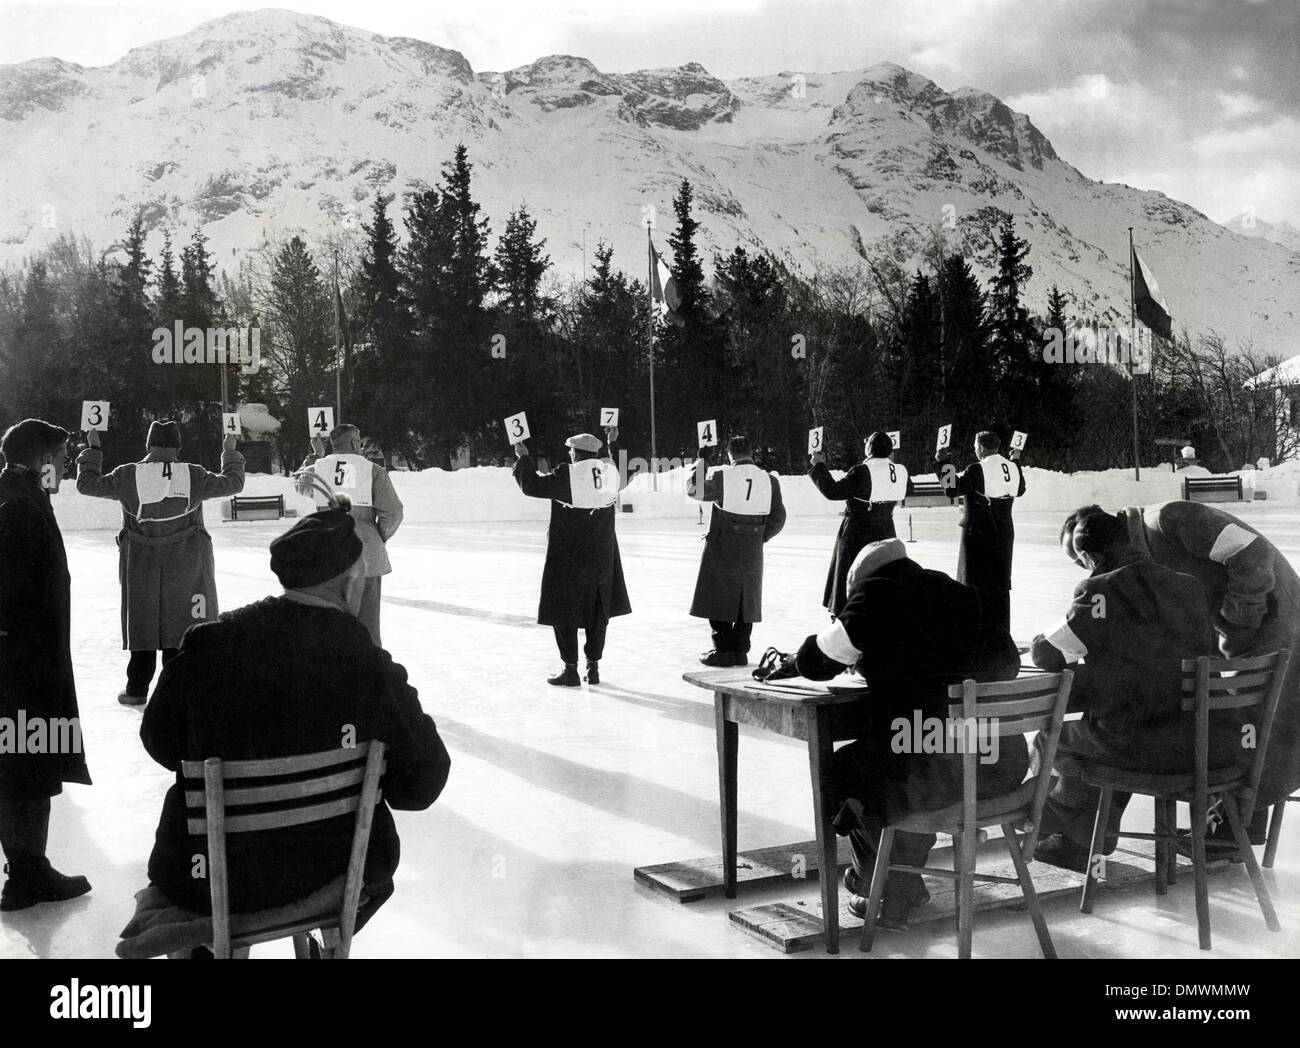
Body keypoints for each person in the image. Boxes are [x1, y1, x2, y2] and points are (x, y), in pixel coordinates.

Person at [134, 507, 450, 937]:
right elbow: (422, 785)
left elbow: (159, 741)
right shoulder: (371, 666)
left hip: (207, 876)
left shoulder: (208, 645)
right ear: (351, 579)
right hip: (334, 873)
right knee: (374, 866)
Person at [789, 539, 1023, 928]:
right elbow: (1009, 664)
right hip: (996, 763)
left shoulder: (873, 591)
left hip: (929, 764)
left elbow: (816, 663)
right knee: (902, 772)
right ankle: (900, 884)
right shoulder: (959, 592)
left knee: (846, 769)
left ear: (858, 580)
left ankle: (875, 884)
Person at [1069, 500, 1300, 848]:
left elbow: (1253, 552)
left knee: (1266, 726)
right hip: (1257, 635)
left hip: (1278, 623)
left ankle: (1227, 832)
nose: (1092, 570)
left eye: (1086, 558)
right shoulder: (1145, 563)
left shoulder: (1169, 519)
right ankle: (1233, 830)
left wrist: (1239, 623)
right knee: (1250, 726)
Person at [1029, 506, 1245, 870]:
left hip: (1144, 751)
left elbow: (1045, 654)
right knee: (1114, 730)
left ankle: (1064, 830)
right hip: (1203, 742)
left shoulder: (1101, 588)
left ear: (1088, 554)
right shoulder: (1187, 585)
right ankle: (1086, 836)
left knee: (1057, 735)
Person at [76, 420, 245, 705]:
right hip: (187, 560)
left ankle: (137, 687)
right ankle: (176, 689)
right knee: (182, 622)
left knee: (142, 619)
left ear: (148, 446)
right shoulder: (194, 475)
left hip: (140, 561)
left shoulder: (127, 475)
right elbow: (234, 483)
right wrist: (229, 453)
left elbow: (87, 484)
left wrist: (93, 449)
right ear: (178, 448)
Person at [0, 419, 93, 911]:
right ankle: (26, 875)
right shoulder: (19, 506)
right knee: (26, 767)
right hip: (24, 665)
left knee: (23, 766)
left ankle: (26, 870)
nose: (66, 464)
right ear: (43, 459)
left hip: (28, 658)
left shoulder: (20, 494)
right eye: (61, 454)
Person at [513, 427, 631, 686]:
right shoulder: (612, 476)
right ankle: (594, 666)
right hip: (602, 555)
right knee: (598, 611)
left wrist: (523, 458)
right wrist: (614, 442)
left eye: (570, 451)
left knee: (564, 610)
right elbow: (626, 469)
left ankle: (570, 669)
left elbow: (531, 486)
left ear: (576, 454)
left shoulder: (568, 475)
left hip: (568, 556)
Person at [296, 424, 404, 647]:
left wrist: (315, 456)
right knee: (368, 628)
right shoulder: (373, 470)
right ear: (355, 443)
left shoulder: (318, 468)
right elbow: (393, 512)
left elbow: (300, 486)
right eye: (360, 443)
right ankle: (369, 675)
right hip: (366, 556)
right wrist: (379, 536)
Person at [688, 435, 787, 666]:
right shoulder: (770, 480)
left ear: (730, 455)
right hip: (752, 546)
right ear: (751, 453)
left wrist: (701, 461)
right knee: (746, 596)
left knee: (719, 595)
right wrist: (761, 536)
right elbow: (779, 517)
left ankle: (722, 650)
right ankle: (741, 650)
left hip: (724, 543)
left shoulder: (723, 477)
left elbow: (694, 490)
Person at [809, 431, 913, 617]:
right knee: (882, 573)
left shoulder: (862, 471)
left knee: (849, 574)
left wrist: (819, 467)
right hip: (886, 527)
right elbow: (907, 489)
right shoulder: (900, 470)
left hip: (858, 529)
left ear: (869, 449)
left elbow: (833, 491)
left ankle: (844, 613)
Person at [937, 430, 1024, 632]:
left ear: (982, 447)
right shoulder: (1011, 466)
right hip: (1004, 531)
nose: (975, 450)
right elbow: (1020, 489)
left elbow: (952, 488)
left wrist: (943, 464)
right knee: (1001, 585)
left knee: (973, 584)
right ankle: (1001, 633)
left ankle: (975, 634)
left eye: (975, 446)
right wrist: (1016, 461)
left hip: (979, 531)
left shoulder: (977, 469)